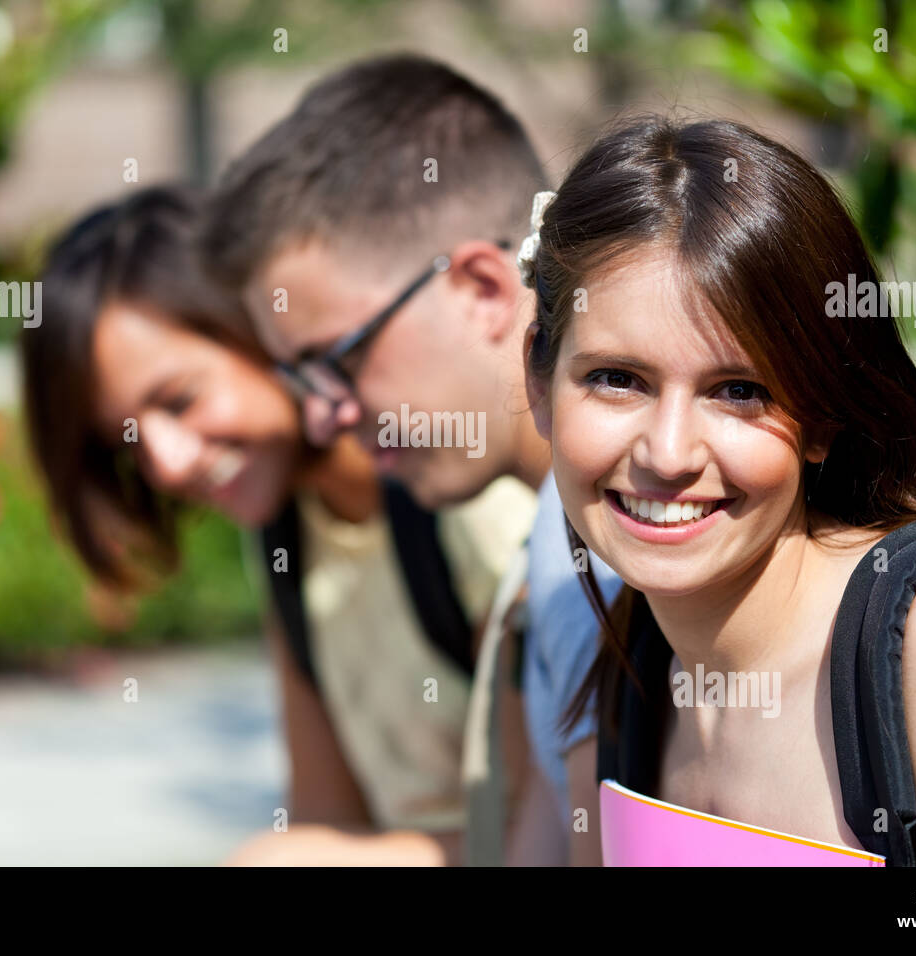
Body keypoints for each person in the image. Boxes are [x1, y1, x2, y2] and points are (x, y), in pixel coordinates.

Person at [522, 115, 916, 864]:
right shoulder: (627, 675)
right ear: (538, 381)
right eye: (617, 379)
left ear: (823, 417)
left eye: (739, 390)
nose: (668, 452)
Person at [21, 185, 536, 865]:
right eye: (128, 444)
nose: (168, 464)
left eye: (180, 400)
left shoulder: (465, 502)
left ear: (265, 329)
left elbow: (550, 822)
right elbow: (326, 817)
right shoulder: (286, 535)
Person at [204, 53, 606, 863]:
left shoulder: (649, 538)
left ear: (482, 290)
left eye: (338, 359)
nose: (324, 415)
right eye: (299, 378)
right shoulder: (559, 549)